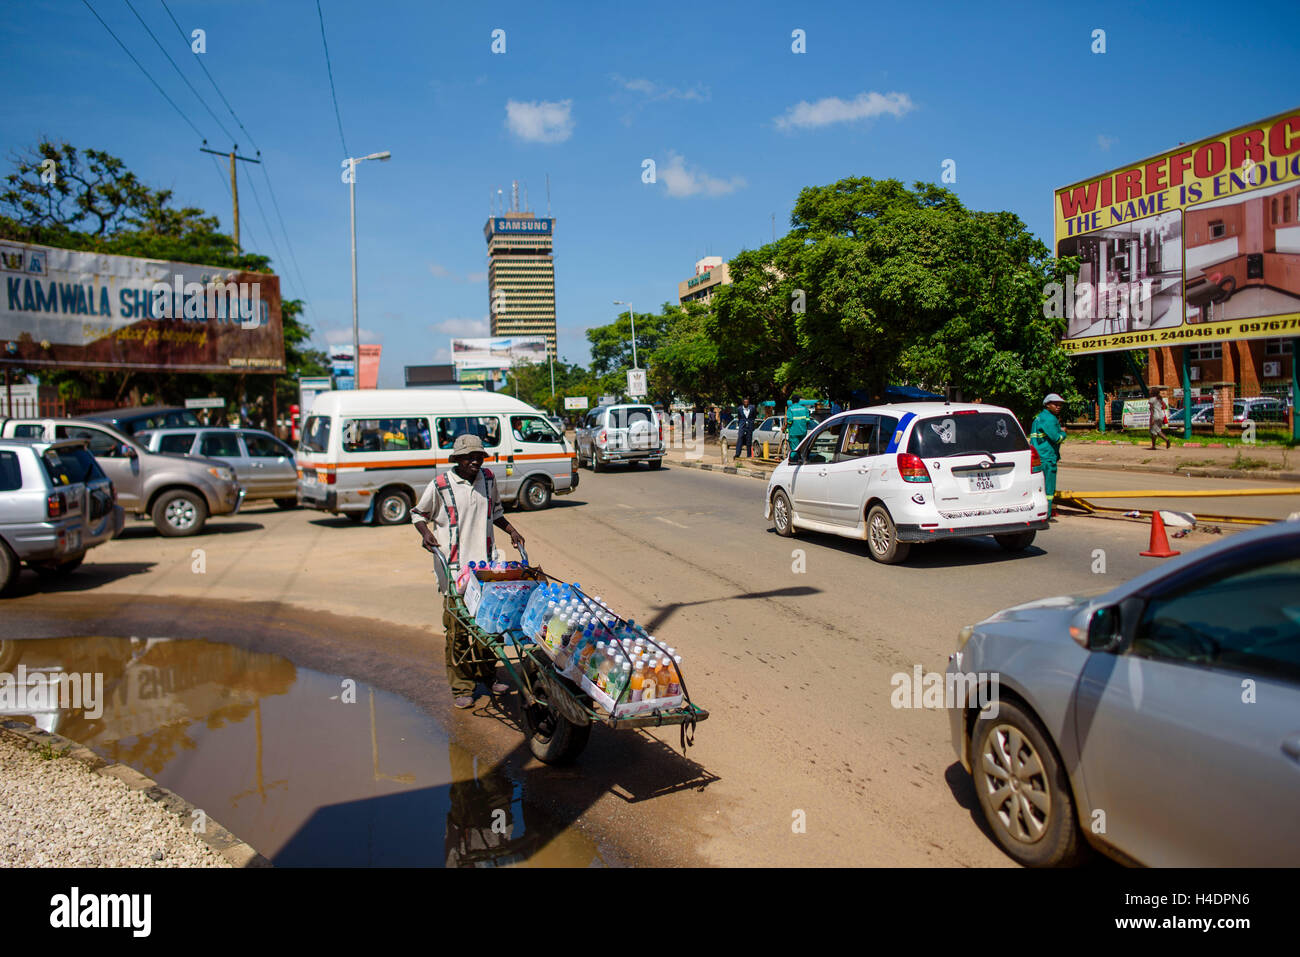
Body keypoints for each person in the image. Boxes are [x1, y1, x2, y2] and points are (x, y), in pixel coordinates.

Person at [413, 434, 527, 710]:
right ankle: (461, 685)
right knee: (458, 630)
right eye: (469, 457)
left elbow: (495, 512)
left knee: (490, 624)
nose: (475, 461)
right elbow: (418, 513)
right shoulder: (441, 484)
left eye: (479, 456)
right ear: (458, 459)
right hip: (453, 569)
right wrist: (426, 534)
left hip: (485, 567)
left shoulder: (487, 479)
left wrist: (511, 530)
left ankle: (488, 675)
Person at [1029, 394, 1067, 520]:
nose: (1058, 406)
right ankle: (1047, 513)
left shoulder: (1039, 417)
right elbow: (1056, 438)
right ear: (1047, 404)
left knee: (1039, 486)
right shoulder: (1049, 419)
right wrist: (1063, 433)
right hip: (1047, 457)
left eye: (1060, 404)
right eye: (1055, 404)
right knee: (1049, 488)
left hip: (1038, 457)